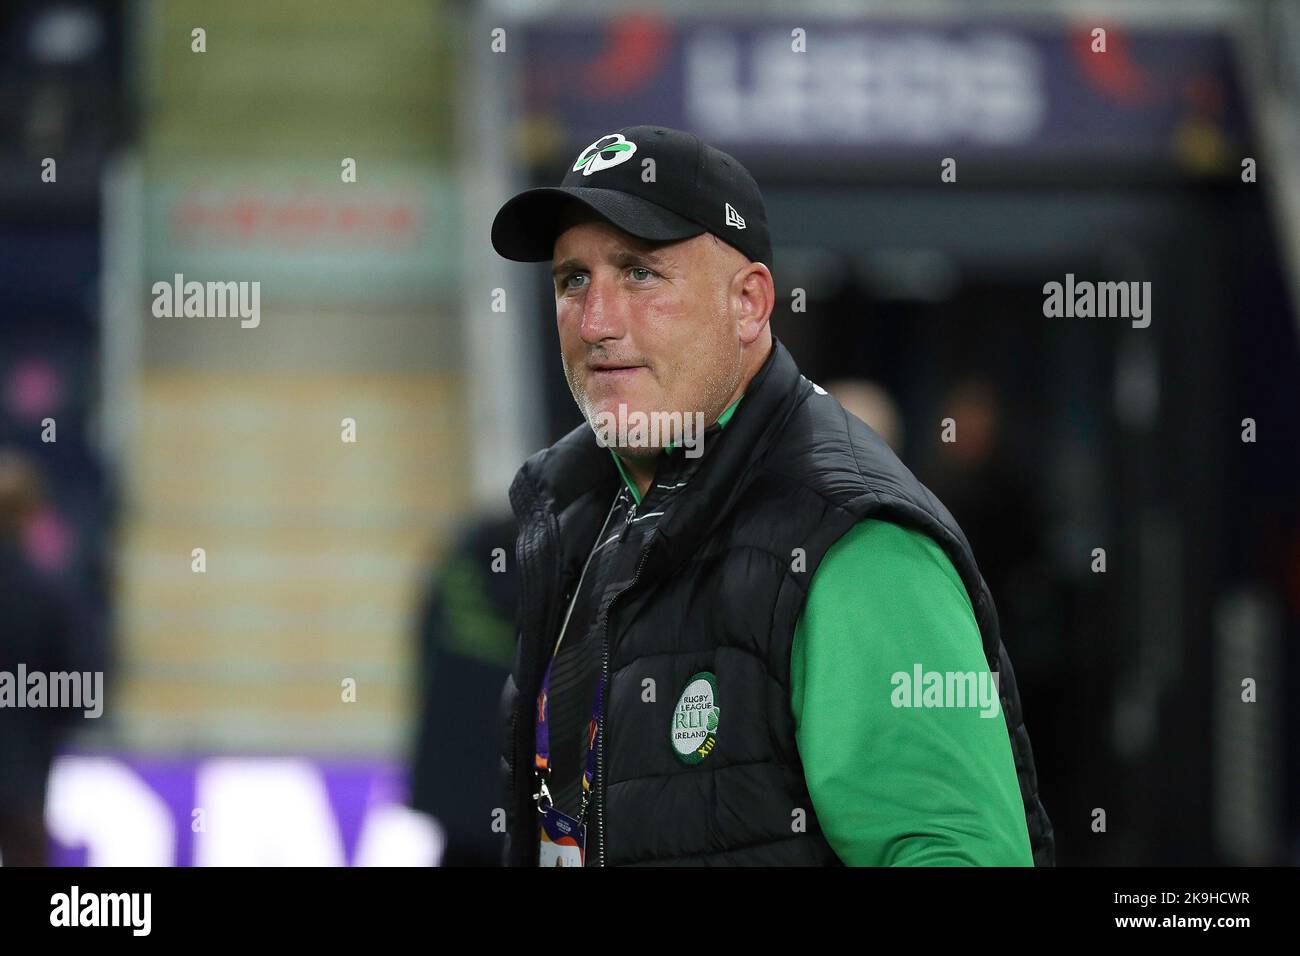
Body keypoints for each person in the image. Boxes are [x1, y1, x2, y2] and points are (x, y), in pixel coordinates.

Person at [489, 125, 1054, 866]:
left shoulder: (853, 539)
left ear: (750, 302)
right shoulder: (579, 514)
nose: (596, 322)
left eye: (640, 274)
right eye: (573, 280)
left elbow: (954, 852)